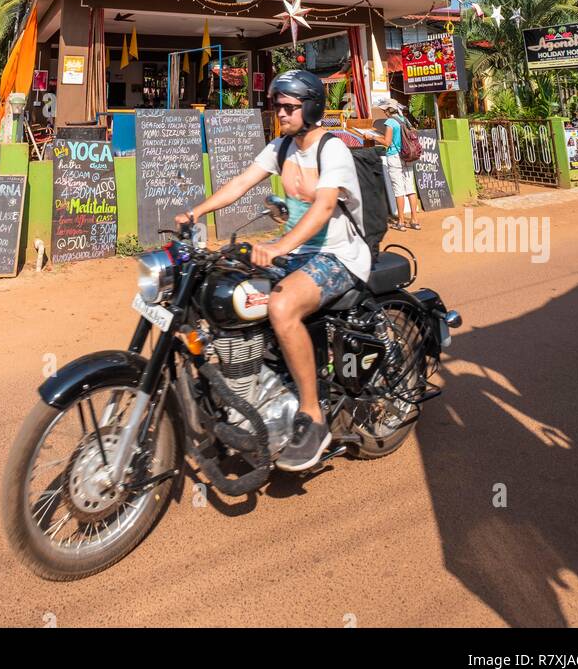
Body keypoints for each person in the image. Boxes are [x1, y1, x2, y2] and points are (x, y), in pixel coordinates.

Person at [176, 68, 371, 472]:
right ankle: (253, 393)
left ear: (311, 108)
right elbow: (241, 182)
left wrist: (279, 245)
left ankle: (313, 416)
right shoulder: (281, 147)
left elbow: (321, 209)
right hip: (298, 255)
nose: (280, 113)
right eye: (276, 105)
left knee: (281, 306)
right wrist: (195, 212)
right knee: (233, 294)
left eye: (288, 107)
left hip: (340, 256)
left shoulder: (331, 149)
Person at [378, 98, 421, 232]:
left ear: (387, 110)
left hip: (395, 157)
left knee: (399, 191)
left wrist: (373, 137)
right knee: (410, 189)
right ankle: (414, 220)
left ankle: (401, 221)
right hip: (407, 157)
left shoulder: (390, 122)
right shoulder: (404, 120)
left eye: (384, 109)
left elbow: (387, 142)